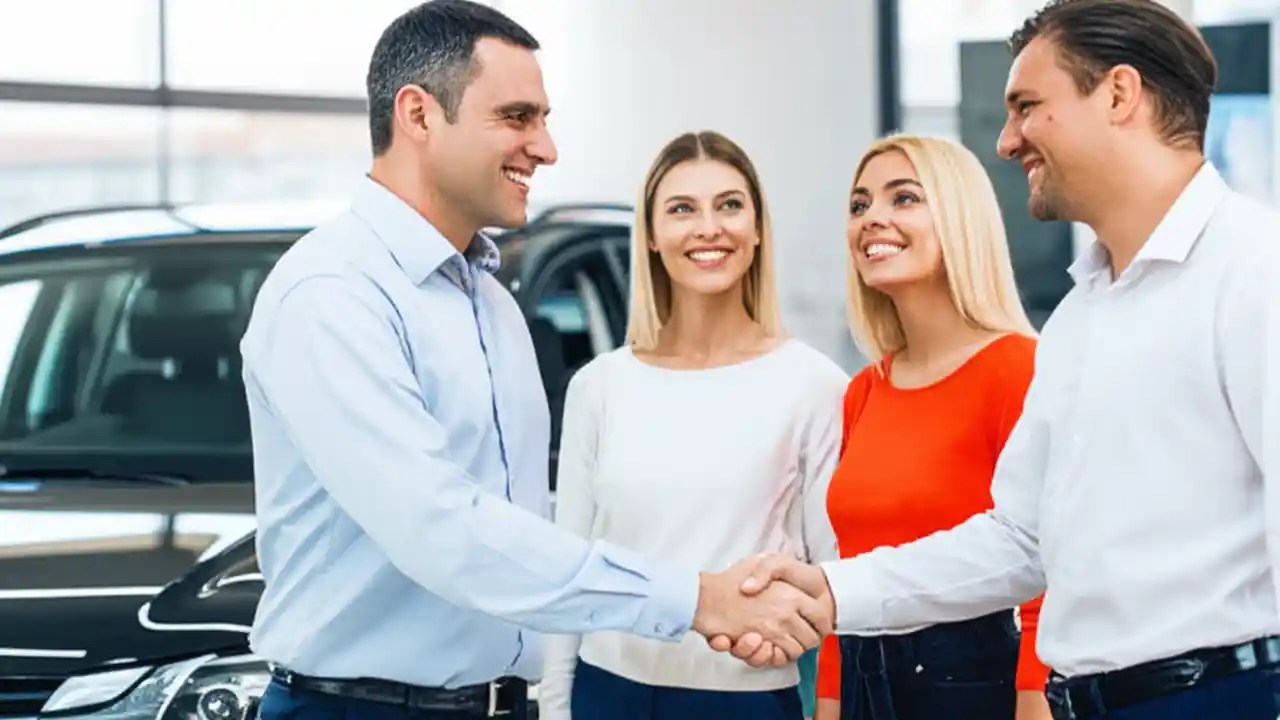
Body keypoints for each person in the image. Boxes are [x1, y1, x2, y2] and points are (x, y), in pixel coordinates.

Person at [238, 3, 831, 719]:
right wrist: (697, 598)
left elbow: (531, 535)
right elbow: (445, 532)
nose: (545, 148)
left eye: (544, 119)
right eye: (518, 118)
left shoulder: (493, 305)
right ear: (419, 116)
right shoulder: (333, 294)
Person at [717, 0, 1280, 717]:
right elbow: (1022, 538)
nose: (1008, 141)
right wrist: (832, 592)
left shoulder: (1256, 270)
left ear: (1117, 95)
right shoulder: (1083, 315)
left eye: (1027, 106)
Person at [537, 130, 849, 720]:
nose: (709, 227)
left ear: (757, 229)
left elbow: (834, 588)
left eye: (730, 205)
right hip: (608, 696)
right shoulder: (600, 387)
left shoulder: (813, 384)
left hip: (747, 701)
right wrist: (556, 710)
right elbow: (569, 580)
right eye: (682, 209)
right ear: (652, 236)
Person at [812, 134, 1051, 720]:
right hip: (866, 688)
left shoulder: (1021, 369)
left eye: (904, 198)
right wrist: (829, 702)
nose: (874, 219)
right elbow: (846, 571)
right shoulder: (863, 392)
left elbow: (1046, 568)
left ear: (959, 219)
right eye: (860, 205)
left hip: (977, 690)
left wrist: (1034, 701)